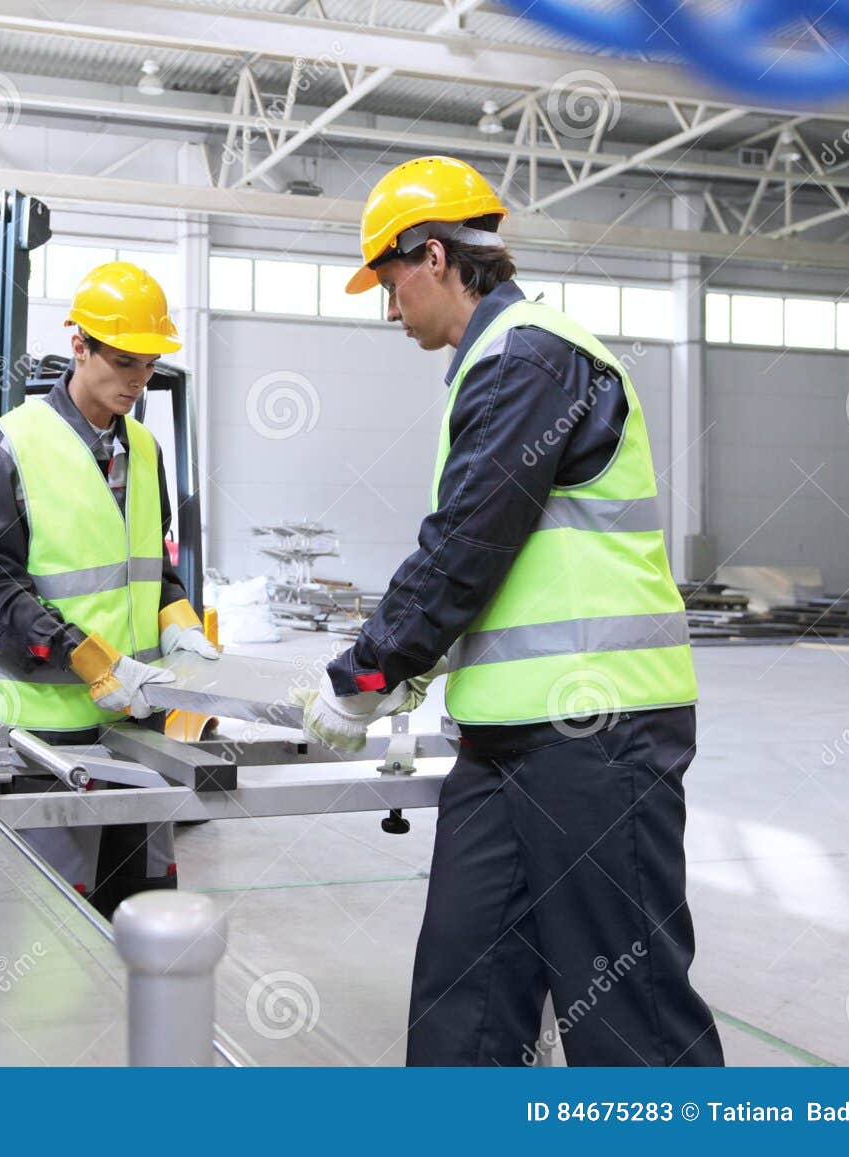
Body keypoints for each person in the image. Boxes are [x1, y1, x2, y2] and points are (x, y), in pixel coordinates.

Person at [302, 156, 722, 1067]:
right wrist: (419, 670)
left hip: (595, 733)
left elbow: (468, 541)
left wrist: (364, 676)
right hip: (502, 741)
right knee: (465, 1001)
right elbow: (506, 562)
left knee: (629, 1019)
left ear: (435, 257)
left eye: (387, 278)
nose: (387, 304)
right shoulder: (493, 363)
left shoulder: (533, 353)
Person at [0, 261, 218, 918]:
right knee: (53, 936)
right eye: (125, 361)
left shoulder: (147, 449)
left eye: (149, 365)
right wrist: (87, 656)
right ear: (80, 345)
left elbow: (151, 565)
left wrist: (179, 616)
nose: (138, 380)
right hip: (53, 736)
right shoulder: (14, 445)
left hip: (140, 724)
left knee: (144, 914)